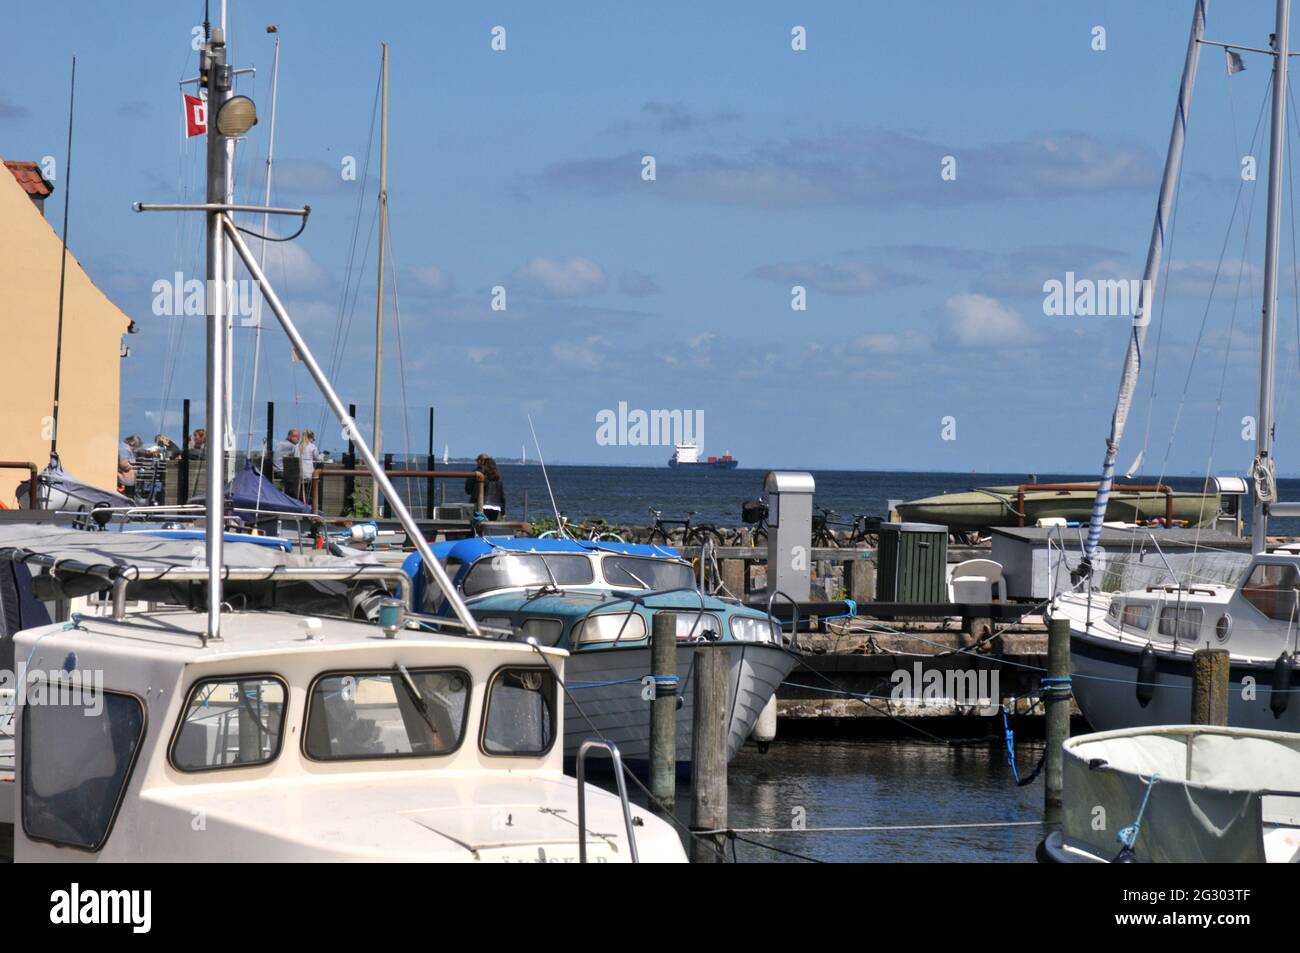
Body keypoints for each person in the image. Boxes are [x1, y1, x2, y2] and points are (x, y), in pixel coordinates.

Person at [465, 453, 505, 521]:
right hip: (496, 507)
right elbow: (502, 497)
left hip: (482, 505)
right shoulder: (498, 479)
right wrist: (503, 512)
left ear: (480, 461)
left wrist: (472, 503)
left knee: (479, 525)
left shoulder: (477, 474)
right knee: (490, 526)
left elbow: (470, 491)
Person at [295, 430, 324, 504]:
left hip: (297, 474)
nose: (313, 441)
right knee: (311, 491)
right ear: (310, 438)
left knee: (301, 491)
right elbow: (318, 459)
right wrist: (323, 455)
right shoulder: (312, 447)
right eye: (313, 439)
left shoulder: (296, 446)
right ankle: (310, 505)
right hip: (308, 475)